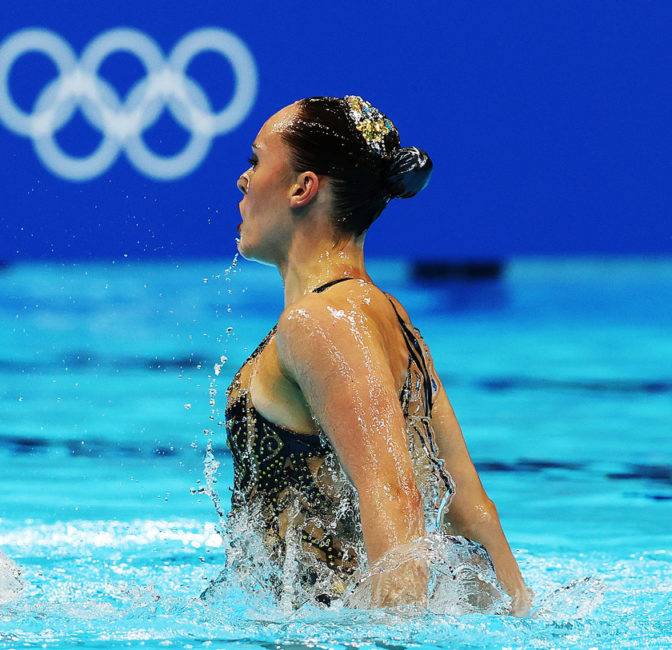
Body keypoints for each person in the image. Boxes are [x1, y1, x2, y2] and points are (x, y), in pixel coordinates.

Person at [224, 96, 531, 614]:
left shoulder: (319, 321)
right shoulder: (389, 316)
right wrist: (521, 619)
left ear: (303, 187)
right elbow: (470, 512)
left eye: (256, 161)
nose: (243, 180)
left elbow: (393, 493)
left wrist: (395, 639)